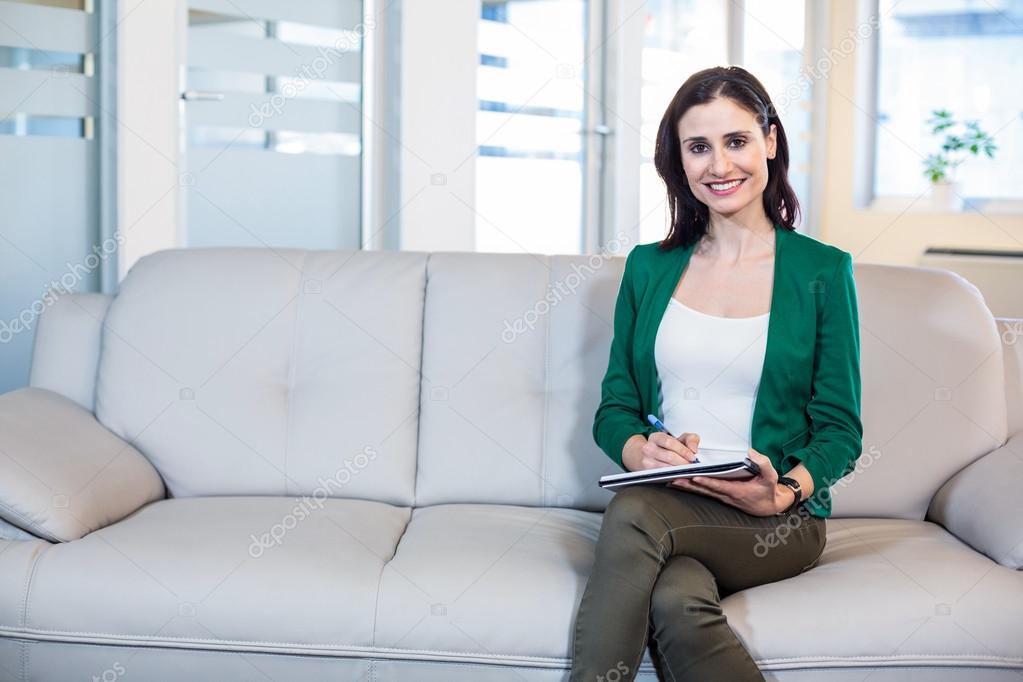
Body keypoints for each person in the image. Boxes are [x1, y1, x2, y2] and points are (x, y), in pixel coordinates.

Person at [570, 65, 863, 682]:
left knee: (632, 514)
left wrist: (785, 491)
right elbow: (615, 407)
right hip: (672, 497)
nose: (719, 164)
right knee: (677, 599)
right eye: (698, 147)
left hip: (776, 517)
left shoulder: (822, 271)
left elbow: (841, 429)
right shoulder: (648, 268)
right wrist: (638, 450)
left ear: (770, 142)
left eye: (736, 141)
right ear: (678, 161)